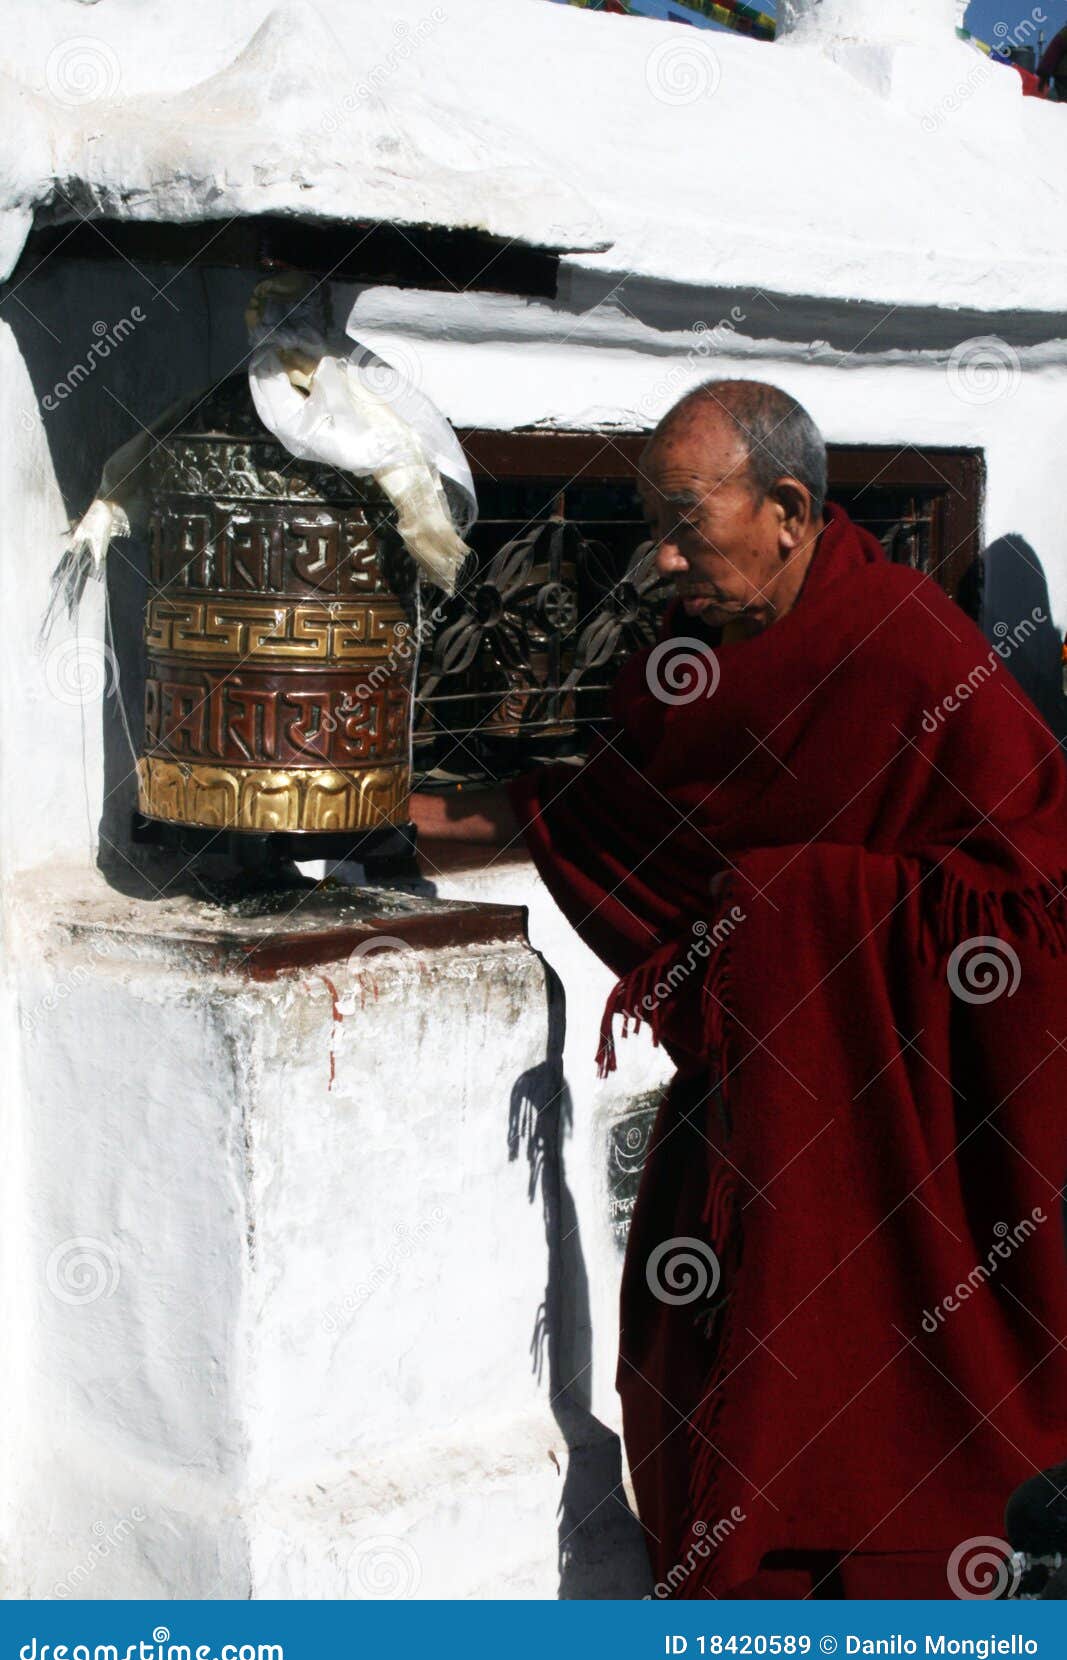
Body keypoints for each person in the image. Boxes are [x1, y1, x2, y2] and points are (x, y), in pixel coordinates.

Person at [409, 380, 1067, 1598]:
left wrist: (794, 909)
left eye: (682, 523)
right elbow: (598, 816)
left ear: (785, 508)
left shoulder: (906, 649)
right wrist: (381, 817)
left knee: (874, 1434)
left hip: (904, 1139)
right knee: (692, 1371)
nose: (660, 560)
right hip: (755, 1111)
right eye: (648, 525)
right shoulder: (694, 670)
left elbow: (1032, 903)